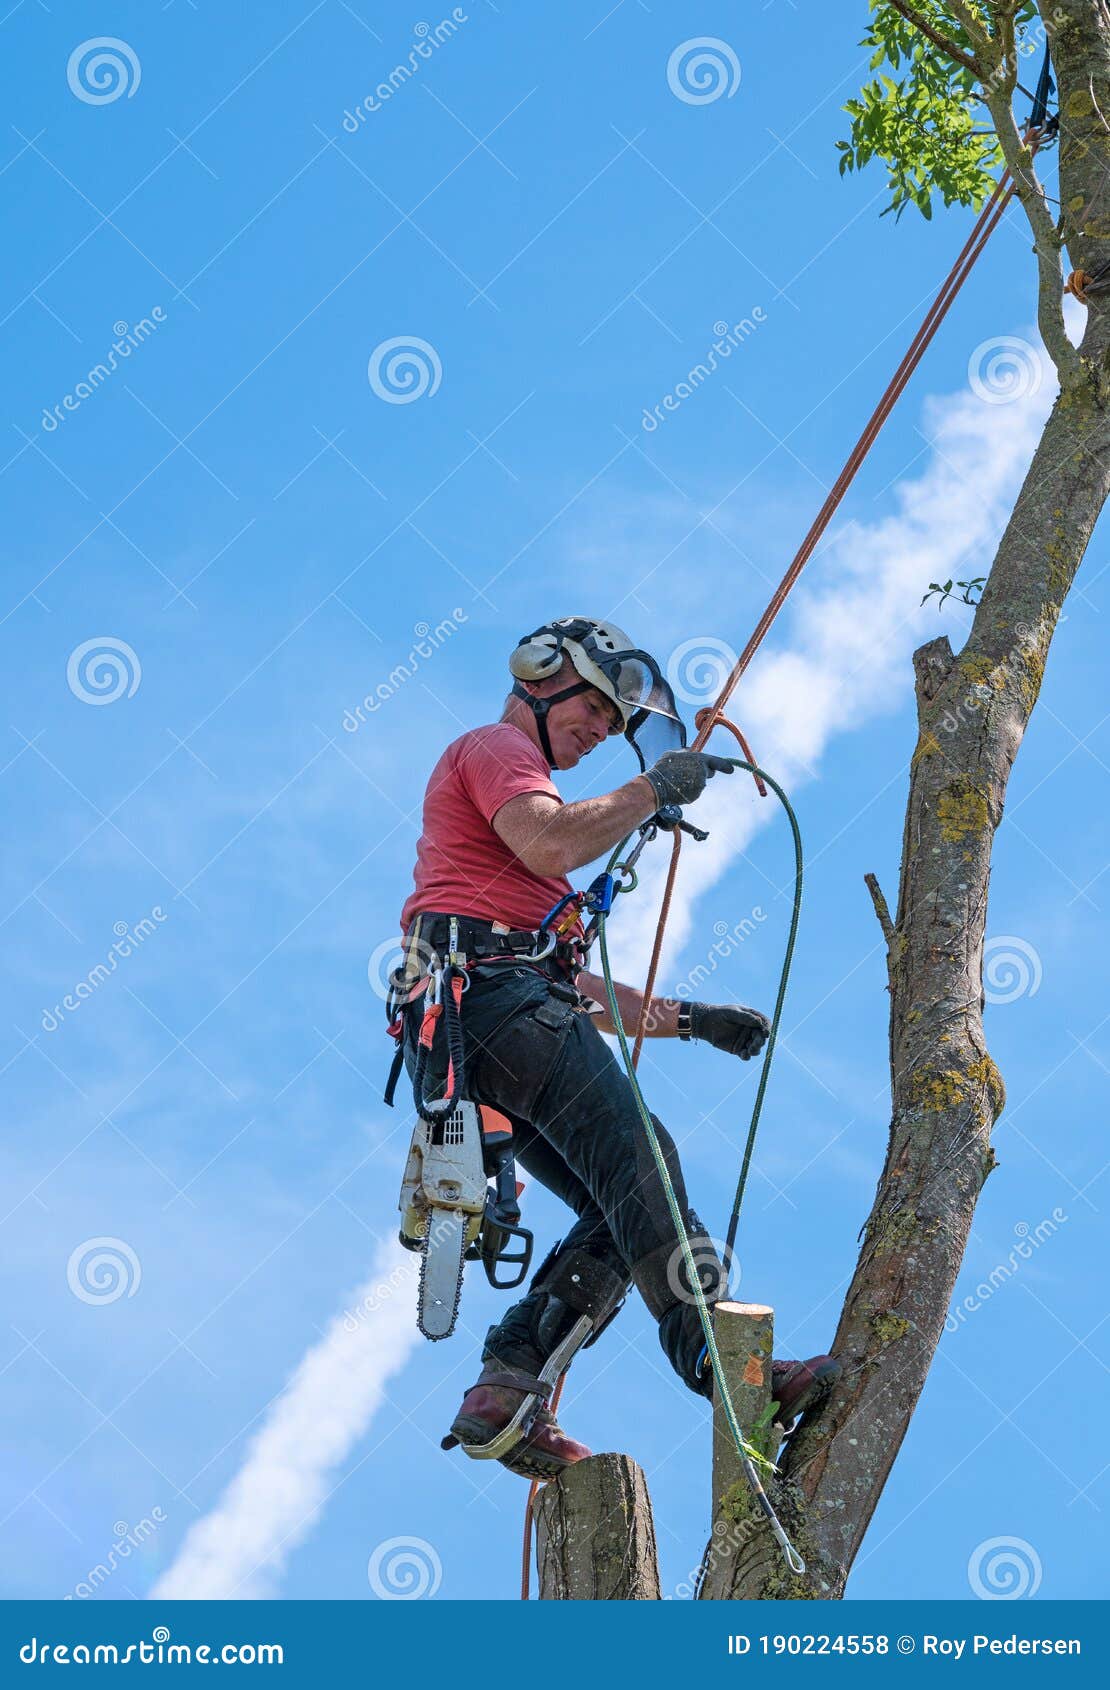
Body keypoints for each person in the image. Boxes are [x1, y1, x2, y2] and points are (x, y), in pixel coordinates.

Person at [392, 617, 838, 1480]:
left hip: (481, 1017)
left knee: (615, 1207)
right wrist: (649, 790)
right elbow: (551, 838)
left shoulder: (523, 871)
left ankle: (506, 1383)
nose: (600, 730)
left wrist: (691, 1019)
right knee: (646, 1165)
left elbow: (569, 991)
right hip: (489, 1004)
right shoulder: (495, 752)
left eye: (612, 719)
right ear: (539, 676)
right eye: (593, 706)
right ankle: (729, 1365)